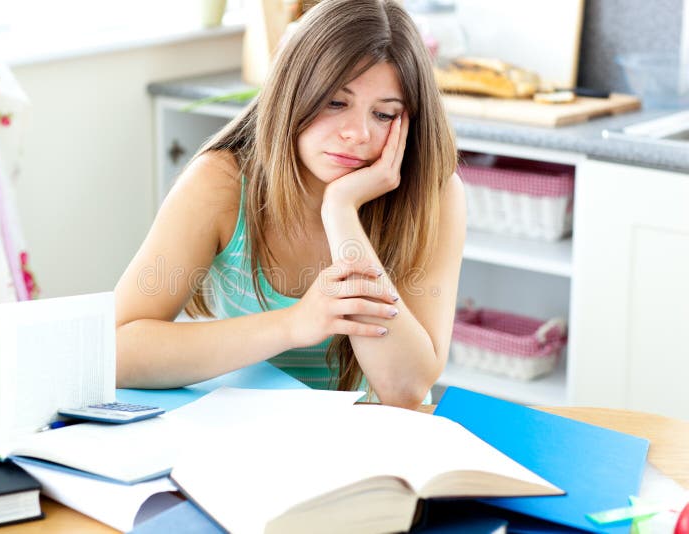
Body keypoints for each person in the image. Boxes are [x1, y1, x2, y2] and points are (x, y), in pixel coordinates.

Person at [115, 0, 465, 409]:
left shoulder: (435, 193)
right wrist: (295, 324)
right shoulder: (222, 183)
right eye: (336, 102)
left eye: (385, 114)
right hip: (248, 430)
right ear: (291, 94)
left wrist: (341, 212)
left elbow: (403, 390)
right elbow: (118, 349)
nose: (358, 133)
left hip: (369, 446)